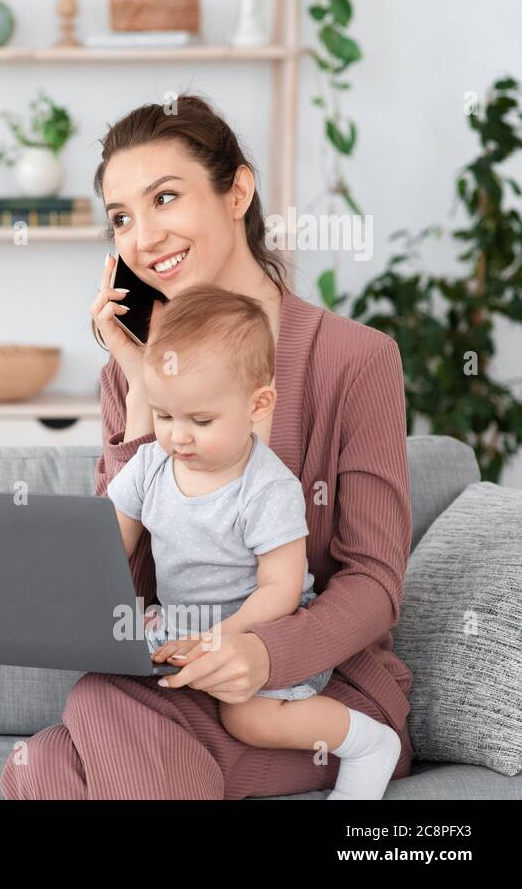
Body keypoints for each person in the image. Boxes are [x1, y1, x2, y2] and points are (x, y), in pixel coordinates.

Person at [0, 93, 414, 799]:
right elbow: (119, 596)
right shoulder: (125, 372)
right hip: (181, 675)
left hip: (313, 699)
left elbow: (375, 583)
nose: (143, 235)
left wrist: (261, 651)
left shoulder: (357, 359)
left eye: (165, 198)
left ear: (237, 192)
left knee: (60, 753)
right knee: (43, 759)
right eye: (122, 218)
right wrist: (138, 390)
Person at [107, 284, 400, 799]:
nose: (177, 437)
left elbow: (280, 591)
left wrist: (229, 639)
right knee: (110, 680)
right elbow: (106, 544)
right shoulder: (151, 464)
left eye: (200, 420)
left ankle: (366, 743)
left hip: (260, 626)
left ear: (257, 404)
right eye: (164, 415)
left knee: (248, 717)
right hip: (184, 626)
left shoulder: (266, 486)